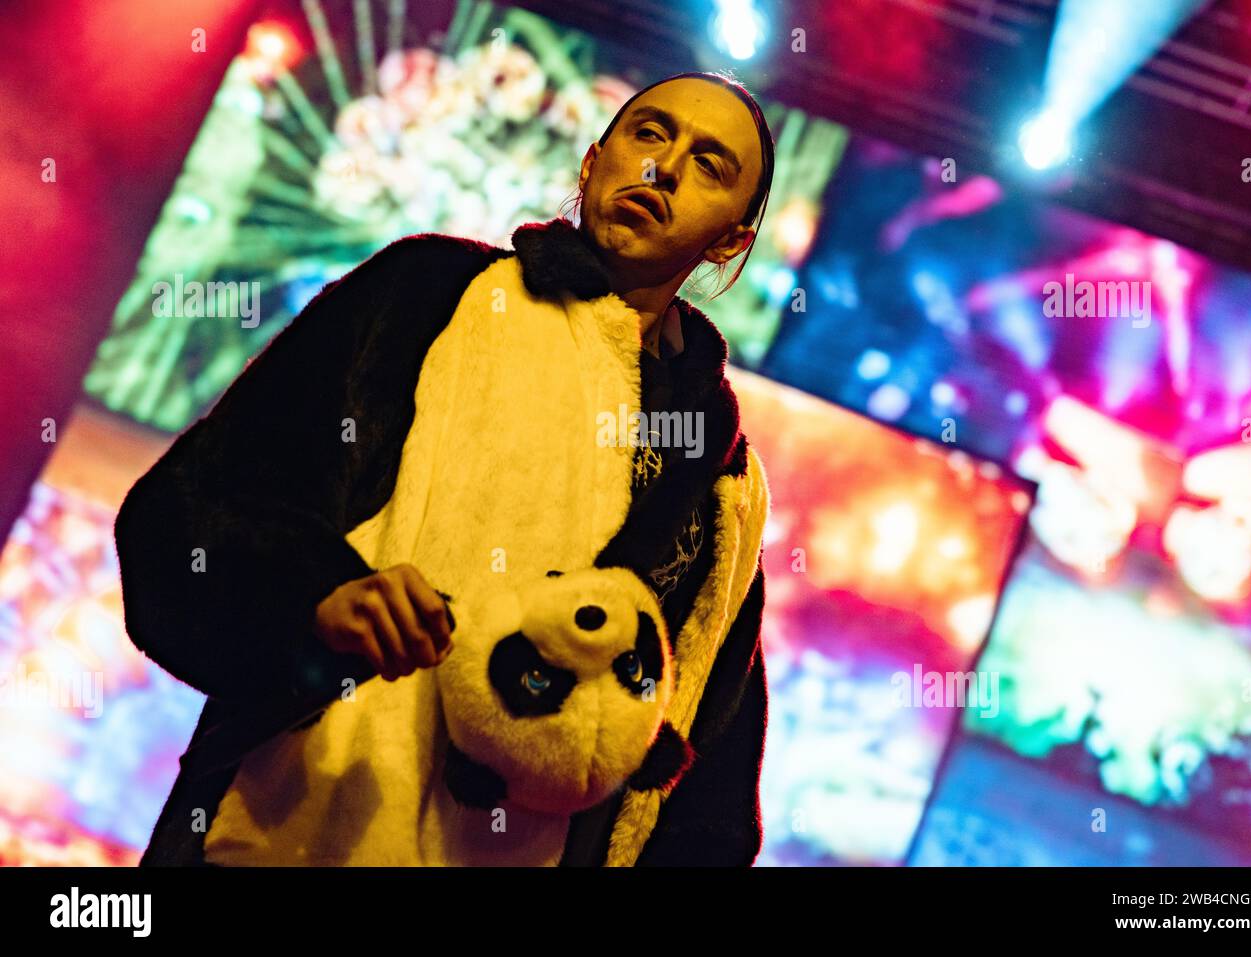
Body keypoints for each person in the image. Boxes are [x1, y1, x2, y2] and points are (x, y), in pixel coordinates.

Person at [115, 71, 774, 866]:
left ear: (732, 238)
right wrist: (319, 601)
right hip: (288, 828)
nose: (660, 169)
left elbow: (708, 776)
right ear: (593, 161)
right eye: (648, 133)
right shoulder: (427, 297)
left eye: (709, 164)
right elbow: (193, 511)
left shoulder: (722, 479)